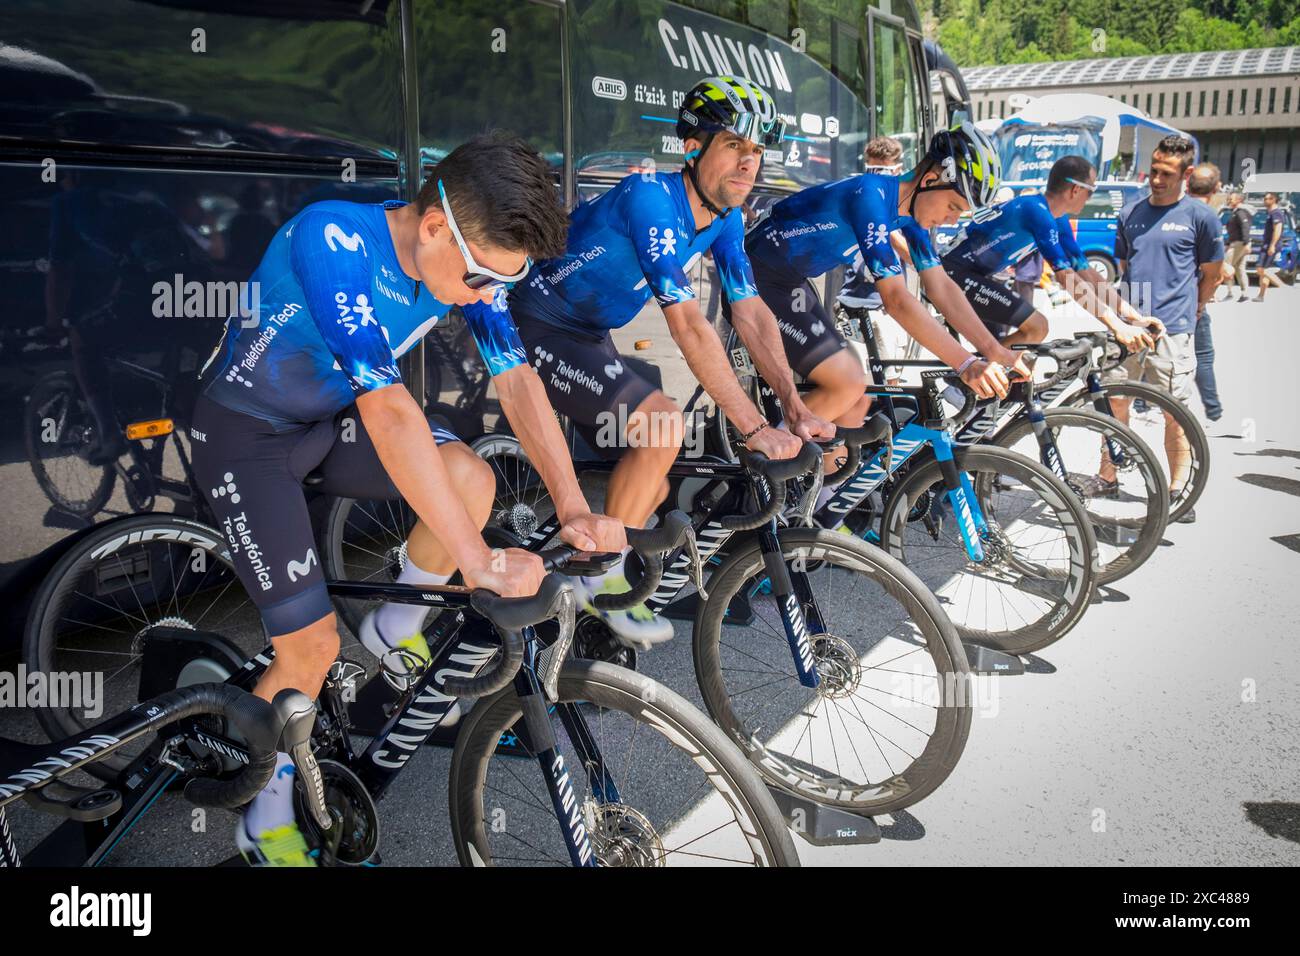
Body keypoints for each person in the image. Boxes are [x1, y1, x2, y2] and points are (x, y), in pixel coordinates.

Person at [192, 132, 626, 865]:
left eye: (504, 284)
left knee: (472, 479)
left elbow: (517, 382)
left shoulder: (466, 263)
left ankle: (396, 626)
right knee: (312, 646)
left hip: (328, 420)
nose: (492, 296)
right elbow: (389, 411)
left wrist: (573, 505)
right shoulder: (335, 236)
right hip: (248, 433)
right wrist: (478, 561)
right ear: (434, 227)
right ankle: (263, 821)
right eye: (487, 278)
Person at [508, 75, 834, 648]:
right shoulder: (651, 199)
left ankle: (598, 565)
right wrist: (753, 427)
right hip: (538, 323)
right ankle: (594, 588)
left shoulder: (727, 218)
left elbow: (751, 311)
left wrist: (792, 405)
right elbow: (686, 322)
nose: (748, 163)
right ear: (692, 147)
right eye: (734, 145)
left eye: (756, 151)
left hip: (587, 333)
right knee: (662, 426)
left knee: (655, 480)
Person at [739, 119, 1033, 507]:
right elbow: (895, 300)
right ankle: (755, 487)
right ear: (930, 178)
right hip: (755, 276)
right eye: (953, 206)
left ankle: (817, 506)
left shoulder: (907, 217)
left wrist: (993, 350)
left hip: (789, 281)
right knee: (846, 383)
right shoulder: (871, 197)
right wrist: (964, 364)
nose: (952, 220)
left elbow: (941, 286)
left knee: (857, 402)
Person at [1108, 135, 1224, 524]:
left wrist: (1196, 308)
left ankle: (1177, 488)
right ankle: (1108, 475)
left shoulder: (1200, 217)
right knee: (1115, 404)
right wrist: (1128, 316)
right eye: (1154, 170)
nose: (1156, 179)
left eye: (1166, 173)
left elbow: (1213, 273)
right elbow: (1124, 268)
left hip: (1172, 331)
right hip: (1129, 328)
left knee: (1173, 412)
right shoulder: (1131, 214)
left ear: (1186, 174)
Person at [941, 155, 1164, 355]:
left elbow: (1086, 273)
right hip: (952, 274)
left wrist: (1132, 317)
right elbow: (1066, 278)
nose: (1089, 197)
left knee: (1024, 349)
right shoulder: (1036, 212)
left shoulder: (1056, 218)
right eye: (1091, 190)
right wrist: (1116, 326)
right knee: (1037, 327)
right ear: (1075, 190)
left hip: (973, 275)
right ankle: (969, 380)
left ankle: (979, 382)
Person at [1187, 163, 1224, 422]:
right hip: (1190, 297)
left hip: (1153, 295)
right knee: (1203, 355)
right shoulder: (1207, 216)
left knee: (1149, 348)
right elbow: (1215, 272)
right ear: (1217, 188)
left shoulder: (1172, 210)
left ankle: (1144, 402)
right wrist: (1201, 303)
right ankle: (1213, 409)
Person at [1220, 190, 1252, 302]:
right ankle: (1245, 293)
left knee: (1226, 266)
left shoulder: (1241, 213)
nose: (1229, 200)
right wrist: (1228, 243)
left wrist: (1247, 243)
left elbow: (1245, 228)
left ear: (1238, 200)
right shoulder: (1234, 212)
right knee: (1239, 268)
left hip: (1239, 244)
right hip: (1235, 243)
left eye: (1232, 198)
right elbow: (1233, 231)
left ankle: (1230, 293)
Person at [1255, 192, 1286, 301]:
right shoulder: (1271, 213)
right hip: (1267, 244)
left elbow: (1277, 229)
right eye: (1265, 198)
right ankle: (1261, 296)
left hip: (1270, 244)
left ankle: (1284, 287)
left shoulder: (1276, 213)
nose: (1265, 200)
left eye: (1268, 198)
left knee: (1261, 269)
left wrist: (1272, 245)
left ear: (1274, 200)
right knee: (1264, 270)